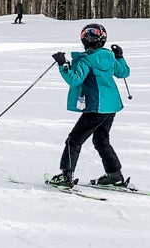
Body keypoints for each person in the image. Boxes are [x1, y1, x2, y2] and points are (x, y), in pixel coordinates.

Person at [49, 22, 130, 188]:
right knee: (101, 140)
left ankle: (66, 175)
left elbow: (74, 80)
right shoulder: (109, 56)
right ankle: (114, 174)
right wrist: (120, 56)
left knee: (74, 140)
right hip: (111, 106)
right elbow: (123, 72)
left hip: (96, 106)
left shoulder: (85, 59)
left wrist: (62, 65)